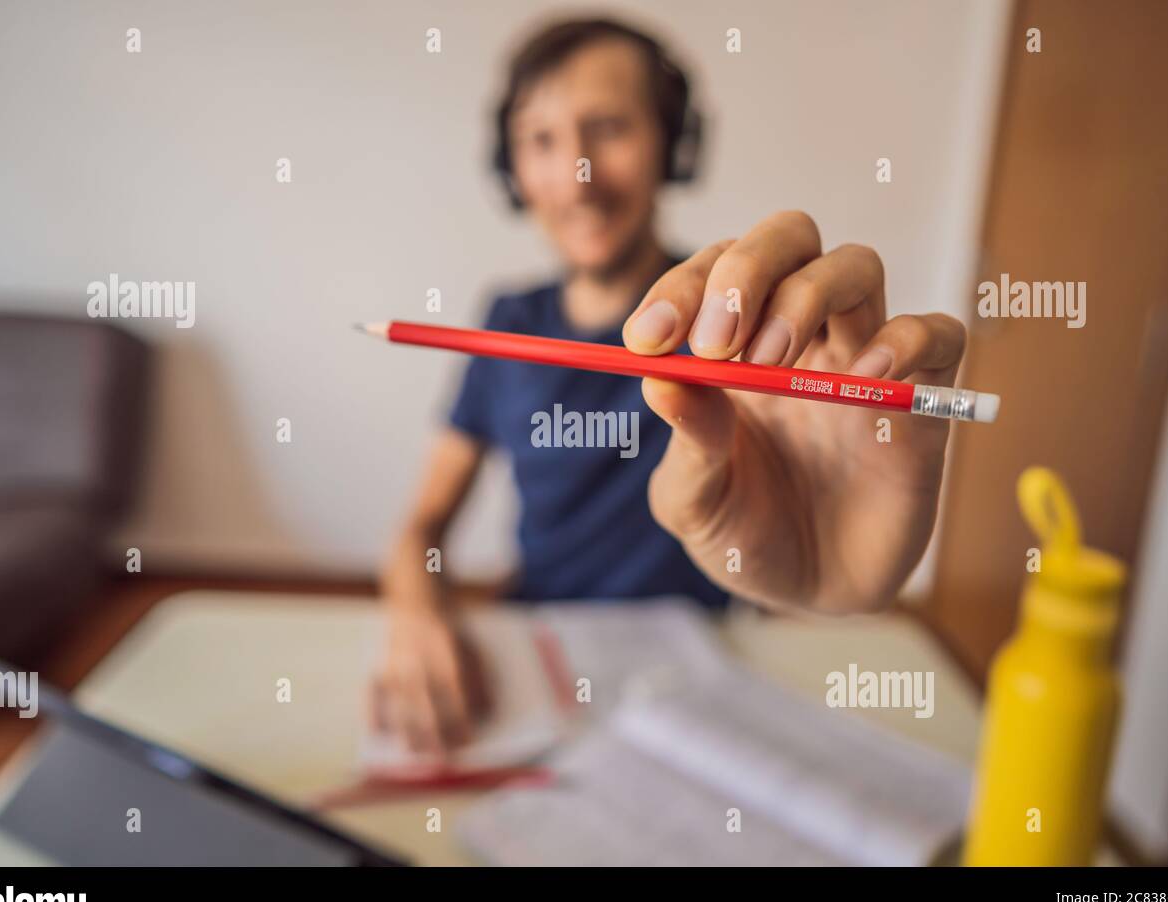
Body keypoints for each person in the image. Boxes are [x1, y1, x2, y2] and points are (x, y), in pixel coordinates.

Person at [373, 17, 966, 756]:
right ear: (511, 167)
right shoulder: (505, 323)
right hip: (537, 669)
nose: (577, 175)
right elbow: (422, 528)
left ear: (673, 146)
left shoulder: (741, 323)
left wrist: (832, 573)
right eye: (541, 140)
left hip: (696, 686)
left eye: (610, 127)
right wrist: (417, 617)